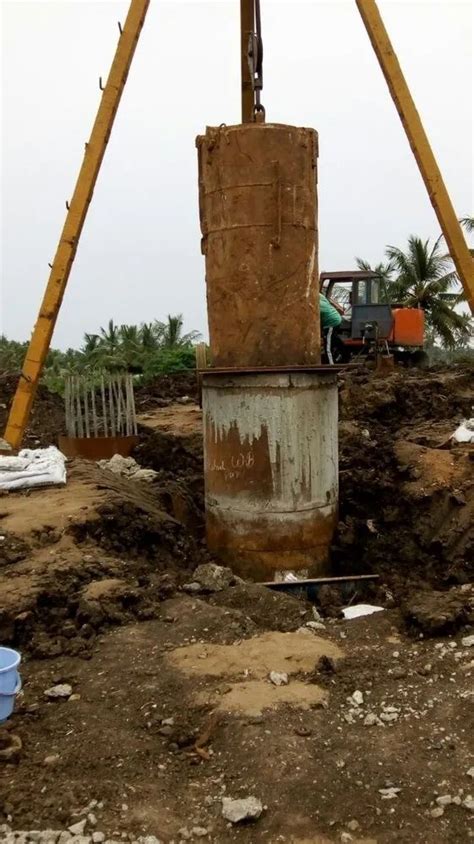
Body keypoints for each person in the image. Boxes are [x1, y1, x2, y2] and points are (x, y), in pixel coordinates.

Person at [319, 293, 344, 364]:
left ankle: (331, 364)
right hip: (337, 318)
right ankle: (344, 355)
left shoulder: (316, 304)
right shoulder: (320, 296)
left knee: (328, 346)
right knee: (334, 339)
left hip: (331, 323)